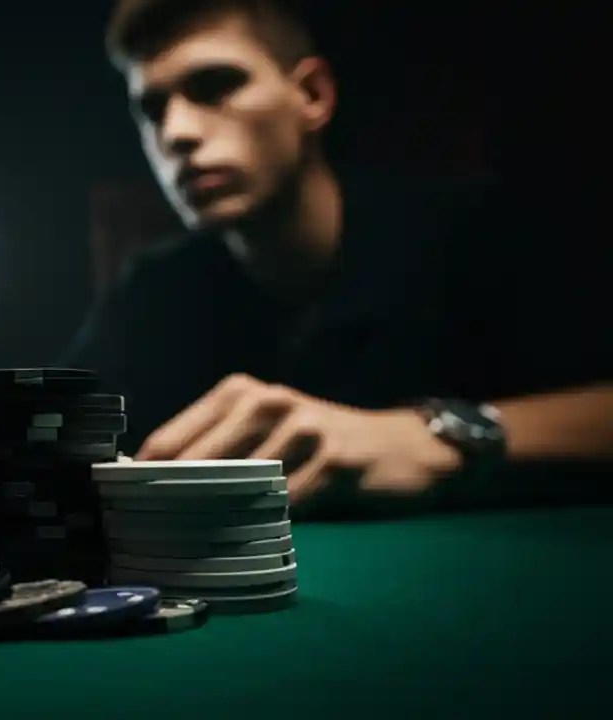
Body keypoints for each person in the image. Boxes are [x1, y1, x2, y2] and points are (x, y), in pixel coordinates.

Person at [66, 0, 612, 515]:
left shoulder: (475, 231)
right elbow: (48, 435)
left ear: (312, 95)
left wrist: (428, 437)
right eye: (152, 109)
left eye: (215, 86)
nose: (177, 132)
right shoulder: (154, 291)